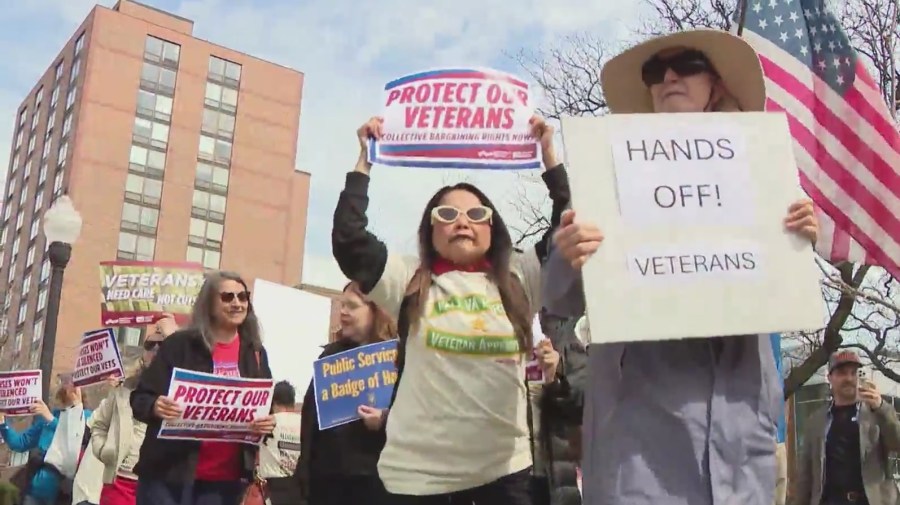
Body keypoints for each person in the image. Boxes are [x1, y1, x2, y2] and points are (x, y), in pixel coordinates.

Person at [542, 29, 819, 505]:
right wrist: (568, 254)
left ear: (716, 83)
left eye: (687, 65)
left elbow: (784, 287)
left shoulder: (764, 172)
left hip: (739, 439)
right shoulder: (603, 174)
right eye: (656, 72)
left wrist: (797, 235)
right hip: (640, 445)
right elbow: (559, 299)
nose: (669, 77)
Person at [331, 114, 569, 504]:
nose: (462, 223)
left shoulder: (521, 276)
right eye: (447, 215)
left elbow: (567, 230)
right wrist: (365, 161)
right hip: (417, 480)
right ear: (431, 229)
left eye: (476, 215)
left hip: (503, 476)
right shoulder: (408, 278)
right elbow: (348, 239)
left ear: (492, 227)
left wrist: (549, 157)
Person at [129, 271, 275, 505]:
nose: (237, 303)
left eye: (242, 297)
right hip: (168, 478)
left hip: (224, 485)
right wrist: (156, 406)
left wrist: (266, 424)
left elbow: (266, 409)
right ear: (209, 304)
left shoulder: (256, 353)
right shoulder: (180, 345)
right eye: (227, 297)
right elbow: (140, 398)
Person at [294, 282, 397, 505]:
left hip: (377, 482)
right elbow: (310, 420)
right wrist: (304, 472)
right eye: (342, 305)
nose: (343, 312)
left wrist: (384, 420)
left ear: (376, 310)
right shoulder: (330, 357)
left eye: (352, 306)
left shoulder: (397, 358)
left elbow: (416, 416)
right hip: (328, 482)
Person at [793, 350, 900, 505]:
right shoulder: (816, 421)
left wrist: (881, 407)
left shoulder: (877, 413)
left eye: (853, 373)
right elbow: (806, 476)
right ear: (830, 377)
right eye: (842, 373)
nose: (849, 378)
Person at [92, 321, 173, 505]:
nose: (155, 349)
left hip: (161, 484)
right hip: (121, 481)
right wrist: (106, 451)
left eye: (162, 344)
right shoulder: (125, 388)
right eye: (150, 345)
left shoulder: (179, 389)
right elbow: (100, 424)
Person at [1, 385, 91, 505]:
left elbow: (75, 438)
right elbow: (20, 443)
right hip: (38, 489)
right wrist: (3, 424)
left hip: (65, 491)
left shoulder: (87, 416)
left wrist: (50, 419)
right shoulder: (51, 415)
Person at [255, 381, 302, 505]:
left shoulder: (266, 423)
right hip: (299, 488)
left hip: (273, 490)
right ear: (293, 401)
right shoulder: (304, 422)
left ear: (273, 402)